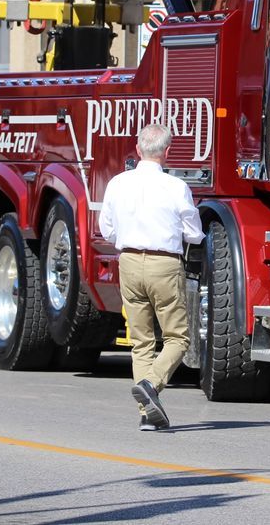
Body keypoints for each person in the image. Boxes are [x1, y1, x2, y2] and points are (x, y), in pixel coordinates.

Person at [99, 123, 205, 431]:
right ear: (167, 152)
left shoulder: (118, 183)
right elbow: (194, 234)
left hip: (129, 261)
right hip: (164, 264)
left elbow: (107, 229)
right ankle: (152, 385)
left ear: (138, 149)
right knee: (178, 337)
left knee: (141, 341)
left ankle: (147, 413)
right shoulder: (175, 187)